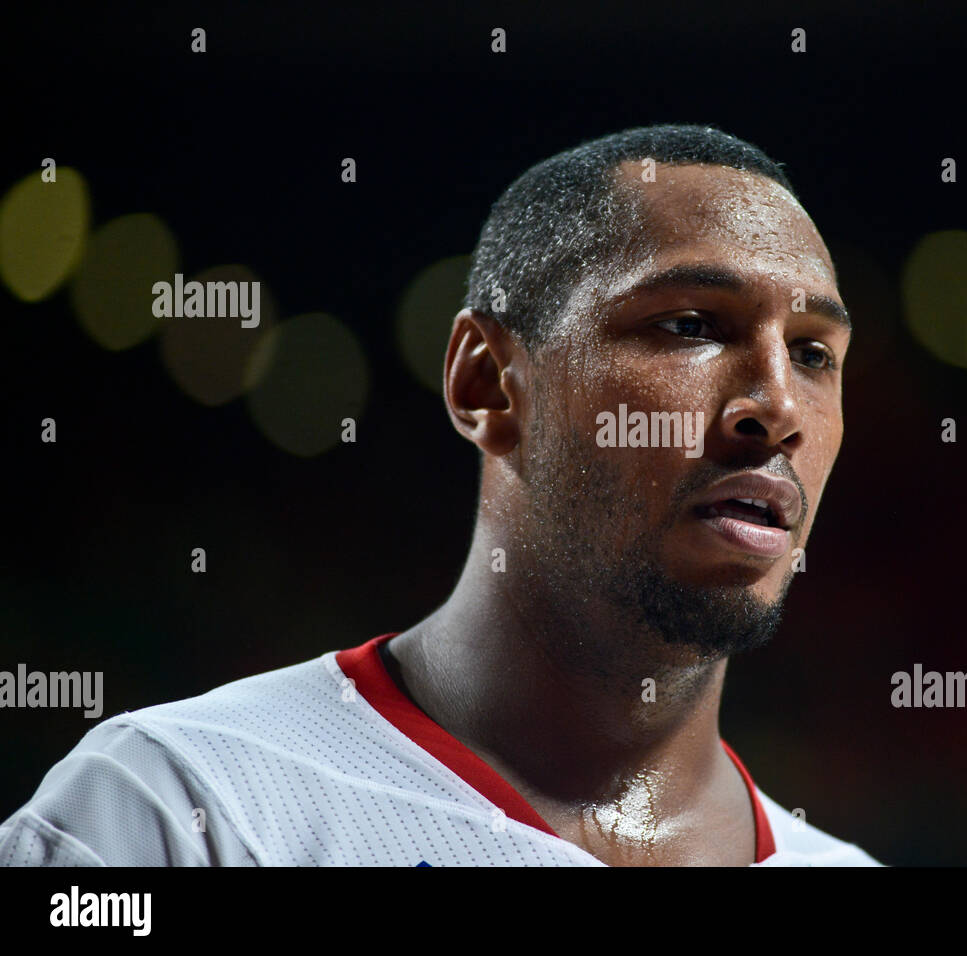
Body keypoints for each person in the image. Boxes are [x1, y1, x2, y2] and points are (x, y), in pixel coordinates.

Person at [0, 124, 879, 866]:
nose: (777, 407)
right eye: (690, 326)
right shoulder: (174, 807)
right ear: (488, 384)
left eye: (812, 352)